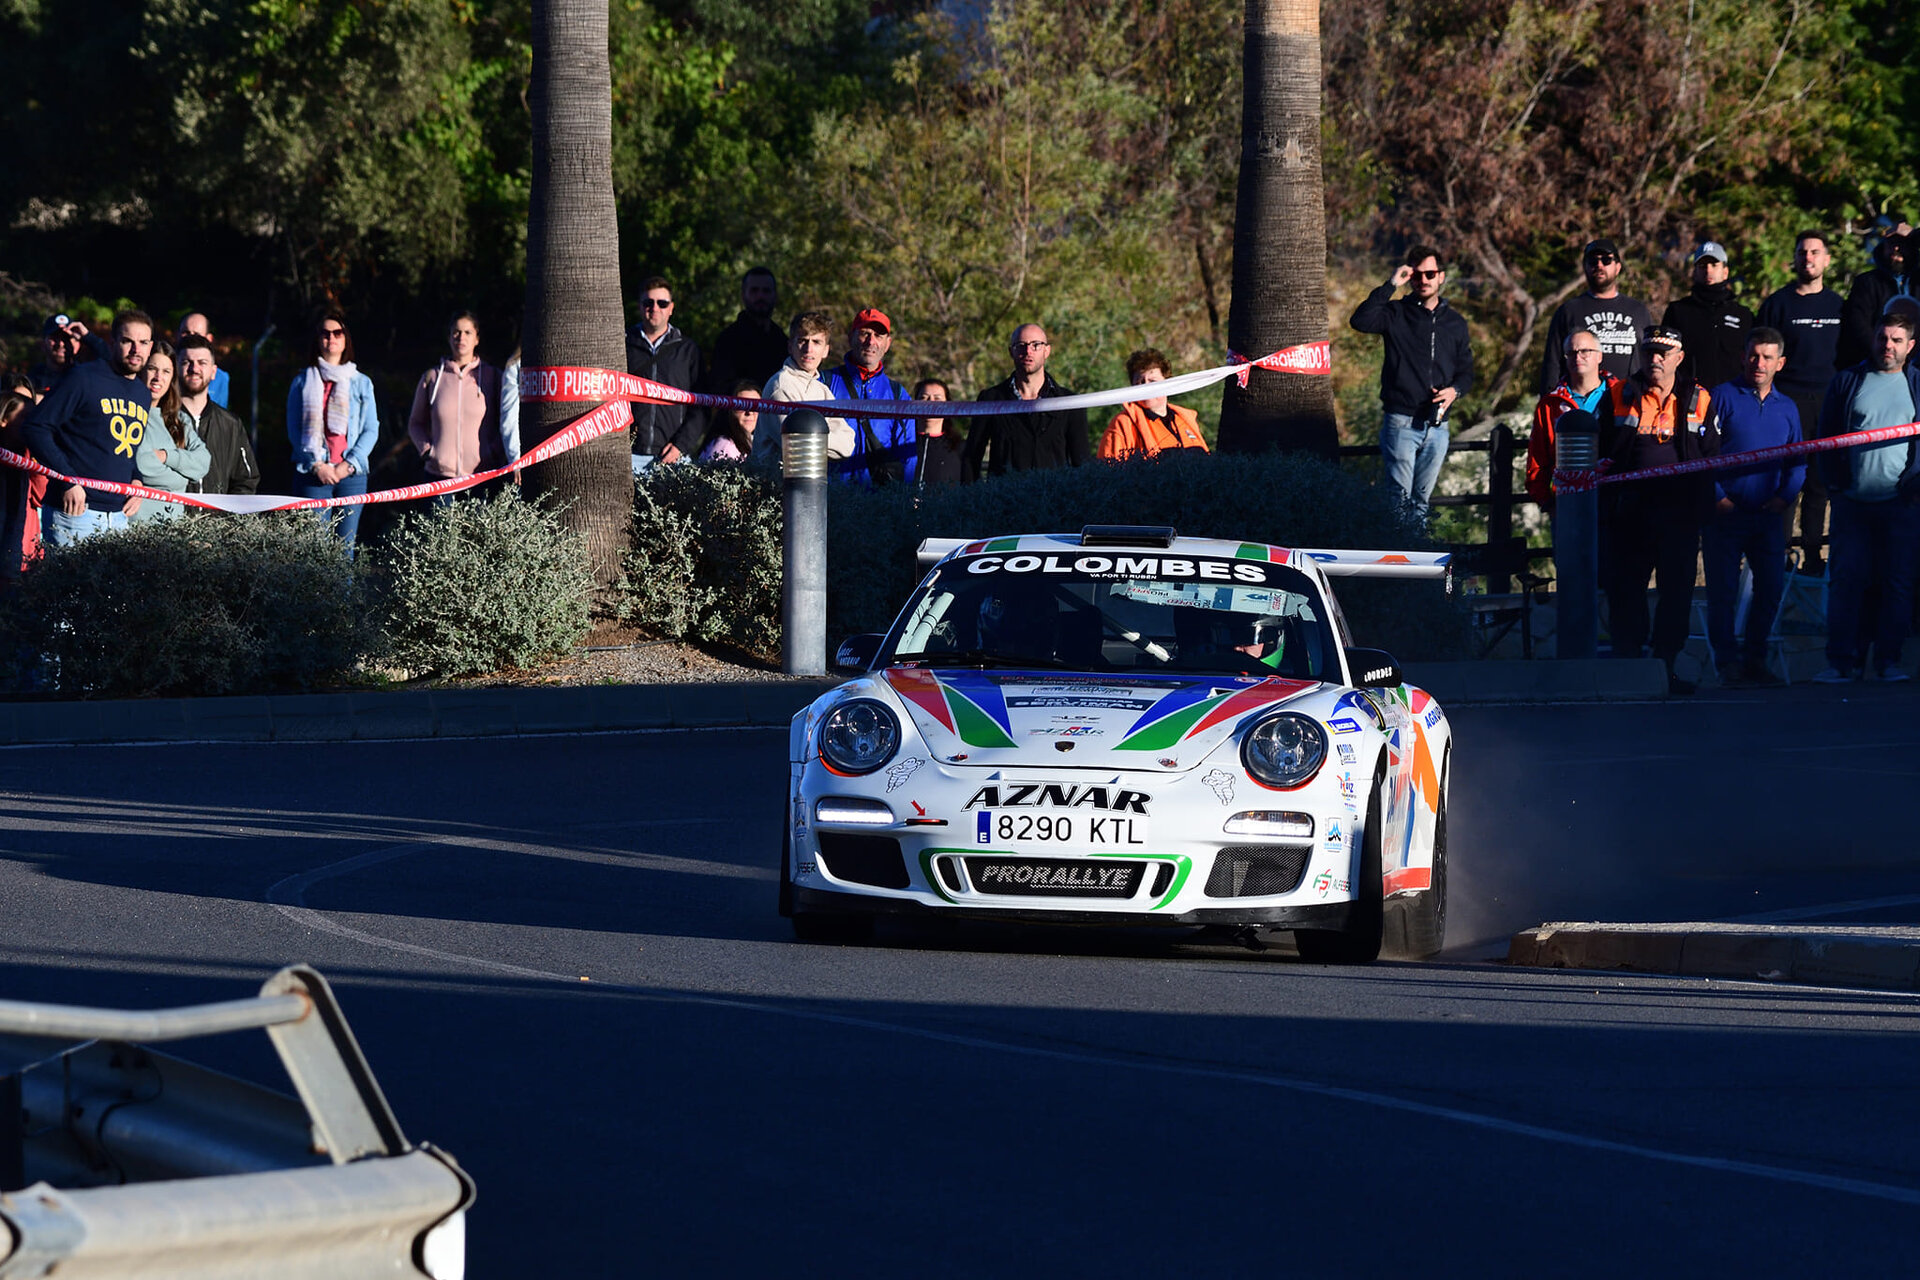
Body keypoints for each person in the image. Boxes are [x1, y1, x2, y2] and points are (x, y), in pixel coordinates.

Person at [1601, 325, 1719, 693]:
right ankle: (1629, 663)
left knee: (1677, 590)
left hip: (1680, 509)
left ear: (1678, 358)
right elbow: (1603, 447)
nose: (1655, 359)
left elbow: (1713, 453)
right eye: (1649, 352)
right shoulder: (1619, 392)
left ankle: (1666, 664)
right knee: (1627, 588)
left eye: (1663, 353)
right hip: (1632, 508)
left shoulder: (1699, 397)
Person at [1812, 315, 1920, 683]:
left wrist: (1914, 486)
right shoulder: (1847, 382)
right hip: (1852, 504)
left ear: (1910, 346)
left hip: (1900, 504)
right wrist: (1837, 489)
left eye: (1896, 339)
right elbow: (1824, 439)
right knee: (1846, 582)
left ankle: (1888, 662)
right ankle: (1841, 662)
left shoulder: (1916, 385)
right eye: (1882, 338)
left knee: (1898, 584)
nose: (1887, 345)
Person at [1702, 328, 1803, 685]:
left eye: (1767, 357)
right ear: (1743, 356)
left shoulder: (1788, 408)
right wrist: (1718, 497)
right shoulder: (1721, 397)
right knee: (1723, 592)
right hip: (1725, 515)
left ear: (1781, 362)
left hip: (1768, 517)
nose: (1759, 363)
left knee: (1771, 589)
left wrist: (1782, 499)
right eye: (1753, 355)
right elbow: (1704, 455)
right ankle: (1727, 663)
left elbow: (1798, 461)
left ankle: (1756, 660)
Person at [1348, 245, 1474, 512]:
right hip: (1401, 422)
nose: (1424, 280)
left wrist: (1454, 391)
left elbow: (1466, 371)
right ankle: (1398, 553)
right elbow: (1360, 320)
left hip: (1438, 425)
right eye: (1417, 275)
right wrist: (1391, 284)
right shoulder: (1395, 313)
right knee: (1399, 500)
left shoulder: (1455, 323)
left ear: (1441, 276)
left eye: (1430, 274)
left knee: (1420, 503)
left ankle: (1417, 552)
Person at [17, 310, 154, 546]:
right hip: (75, 514)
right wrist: (67, 480)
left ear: (151, 346)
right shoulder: (83, 378)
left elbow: (125, 451)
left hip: (119, 517)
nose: (135, 350)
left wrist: (137, 480)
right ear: (113, 343)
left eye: (143, 343)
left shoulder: (143, 394)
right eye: (127, 341)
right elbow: (36, 427)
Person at [1759, 231, 1845, 575]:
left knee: (1818, 484)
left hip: (1828, 402)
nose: (1808, 258)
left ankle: (1812, 558)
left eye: (1815, 252)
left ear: (1826, 260)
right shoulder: (1777, 304)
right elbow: (1760, 356)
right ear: (1794, 260)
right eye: (1802, 252)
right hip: (1787, 403)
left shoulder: (1840, 305)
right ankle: (1775, 557)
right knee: (1785, 480)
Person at [287, 311, 378, 552]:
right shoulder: (302, 381)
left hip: (352, 476)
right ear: (318, 340)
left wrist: (347, 466)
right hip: (312, 475)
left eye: (337, 333)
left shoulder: (362, 382)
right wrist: (317, 465)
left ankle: (344, 593)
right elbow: (294, 429)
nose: (331, 338)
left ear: (346, 338)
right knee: (313, 551)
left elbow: (371, 429)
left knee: (344, 551)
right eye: (325, 333)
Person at [965, 324, 1091, 478]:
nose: (1028, 351)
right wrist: (973, 499)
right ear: (1011, 351)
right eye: (1021, 345)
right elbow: (971, 457)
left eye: (1036, 345)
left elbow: (1082, 463)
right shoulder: (990, 399)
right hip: (1004, 499)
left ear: (1047, 351)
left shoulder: (1070, 402)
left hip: (1055, 498)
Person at [407, 310, 511, 494]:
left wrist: (495, 451)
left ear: (477, 338)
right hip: (439, 478)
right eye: (456, 332)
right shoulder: (432, 377)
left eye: (467, 332)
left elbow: (507, 419)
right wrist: (427, 451)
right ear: (449, 337)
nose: (461, 337)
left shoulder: (493, 377)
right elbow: (415, 422)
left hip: (482, 477)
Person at [1526, 327, 1621, 510]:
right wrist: (1546, 501)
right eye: (1571, 353)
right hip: (1566, 501)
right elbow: (1537, 457)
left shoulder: (1623, 396)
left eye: (1585, 351)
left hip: (1614, 500)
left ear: (1599, 356)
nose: (1578, 357)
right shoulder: (1550, 404)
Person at [1539, 239, 1652, 391]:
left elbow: (1650, 359)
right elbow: (1552, 364)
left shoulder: (1638, 311)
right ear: (1585, 267)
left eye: (1606, 260)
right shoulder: (1569, 311)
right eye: (1593, 261)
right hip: (1582, 404)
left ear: (1617, 267)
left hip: (1628, 403)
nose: (1599, 265)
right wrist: (1549, 400)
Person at [823, 309, 916, 486]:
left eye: (878, 335)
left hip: (879, 501)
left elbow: (908, 454)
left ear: (887, 344)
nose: (871, 341)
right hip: (831, 497)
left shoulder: (898, 394)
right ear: (851, 337)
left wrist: (906, 496)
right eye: (865, 333)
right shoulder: (823, 382)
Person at [623, 276, 704, 474]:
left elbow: (702, 405)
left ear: (671, 308)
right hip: (628, 456)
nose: (655, 307)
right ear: (640, 307)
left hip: (673, 457)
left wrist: (680, 446)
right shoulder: (622, 345)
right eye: (648, 302)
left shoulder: (687, 350)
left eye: (662, 303)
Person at [754, 311, 855, 464]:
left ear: (826, 350)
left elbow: (848, 445)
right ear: (790, 346)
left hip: (810, 483)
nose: (809, 349)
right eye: (802, 340)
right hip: (772, 484)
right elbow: (798, 445)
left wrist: (812, 437)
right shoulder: (781, 385)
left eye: (816, 342)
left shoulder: (822, 390)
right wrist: (826, 439)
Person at [132, 341, 210, 522]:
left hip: (173, 530)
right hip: (137, 528)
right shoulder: (130, 414)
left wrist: (166, 456)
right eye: (152, 369)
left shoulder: (179, 420)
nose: (158, 377)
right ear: (142, 371)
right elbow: (141, 464)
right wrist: (183, 476)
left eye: (166, 371)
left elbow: (204, 462)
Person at [1661, 242, 1754, 391]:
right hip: (1689, 396)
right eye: (1702, 266)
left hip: (1733, 397)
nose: (1708, 270)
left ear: (1725, 271)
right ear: (1695, 271)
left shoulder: (1743, 315)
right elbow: (1664, 356)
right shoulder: (1678, 311)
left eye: (1714, 265)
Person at [175, 334, 258, 496]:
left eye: (202, 363)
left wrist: (229, 518)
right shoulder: (162, 420)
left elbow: (246, 480)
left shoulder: (231, 424)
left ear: (213, 372)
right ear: (176, 368)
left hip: (217, 520)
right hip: (169, 518)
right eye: (186, 362)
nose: (194, 369)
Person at [1098, 348, 1209, 460]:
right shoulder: (1122, 424)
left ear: (1167, 382)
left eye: (1152, 381)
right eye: (1141, 382)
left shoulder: (1186, 420)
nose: (1147, 386)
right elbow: (1108, 472)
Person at [1838, 221, 1910, 370]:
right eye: (1891, 243)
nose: (1896, 249)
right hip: (1876, 365)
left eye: (1902, 243)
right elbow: (1858, 325)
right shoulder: (1866, 283)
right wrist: (1884, 353)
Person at [707, 266, 788, 395]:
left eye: (766, 291)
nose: (760, 296)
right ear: (743, 294)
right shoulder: (728, 341)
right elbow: (719, 388)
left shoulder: (782, 341)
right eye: (754, 291)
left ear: (775, 295)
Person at [913, 378, 967, 487]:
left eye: (937, 399)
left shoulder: (960, 447)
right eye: (924, 398)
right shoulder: (901, 442)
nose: (930, 404)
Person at [175, 313, 231, 408]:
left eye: (197, 334)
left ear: (209, 338)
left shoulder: (220, 379)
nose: (191, 338)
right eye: (186, 332)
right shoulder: (163, 372)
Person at [697, 381, 763, 461]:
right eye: (741, 405)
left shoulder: (754, 443)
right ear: (728, 410)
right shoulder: (724, 446)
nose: (749, 412)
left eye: (756, 406)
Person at [27, 314, 84, 397]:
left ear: (77, 345)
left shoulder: (84, 378)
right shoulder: (32, 379)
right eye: (55, 338)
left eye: (66, 338)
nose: (61, 344)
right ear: (43, 344)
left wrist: (89, 337)